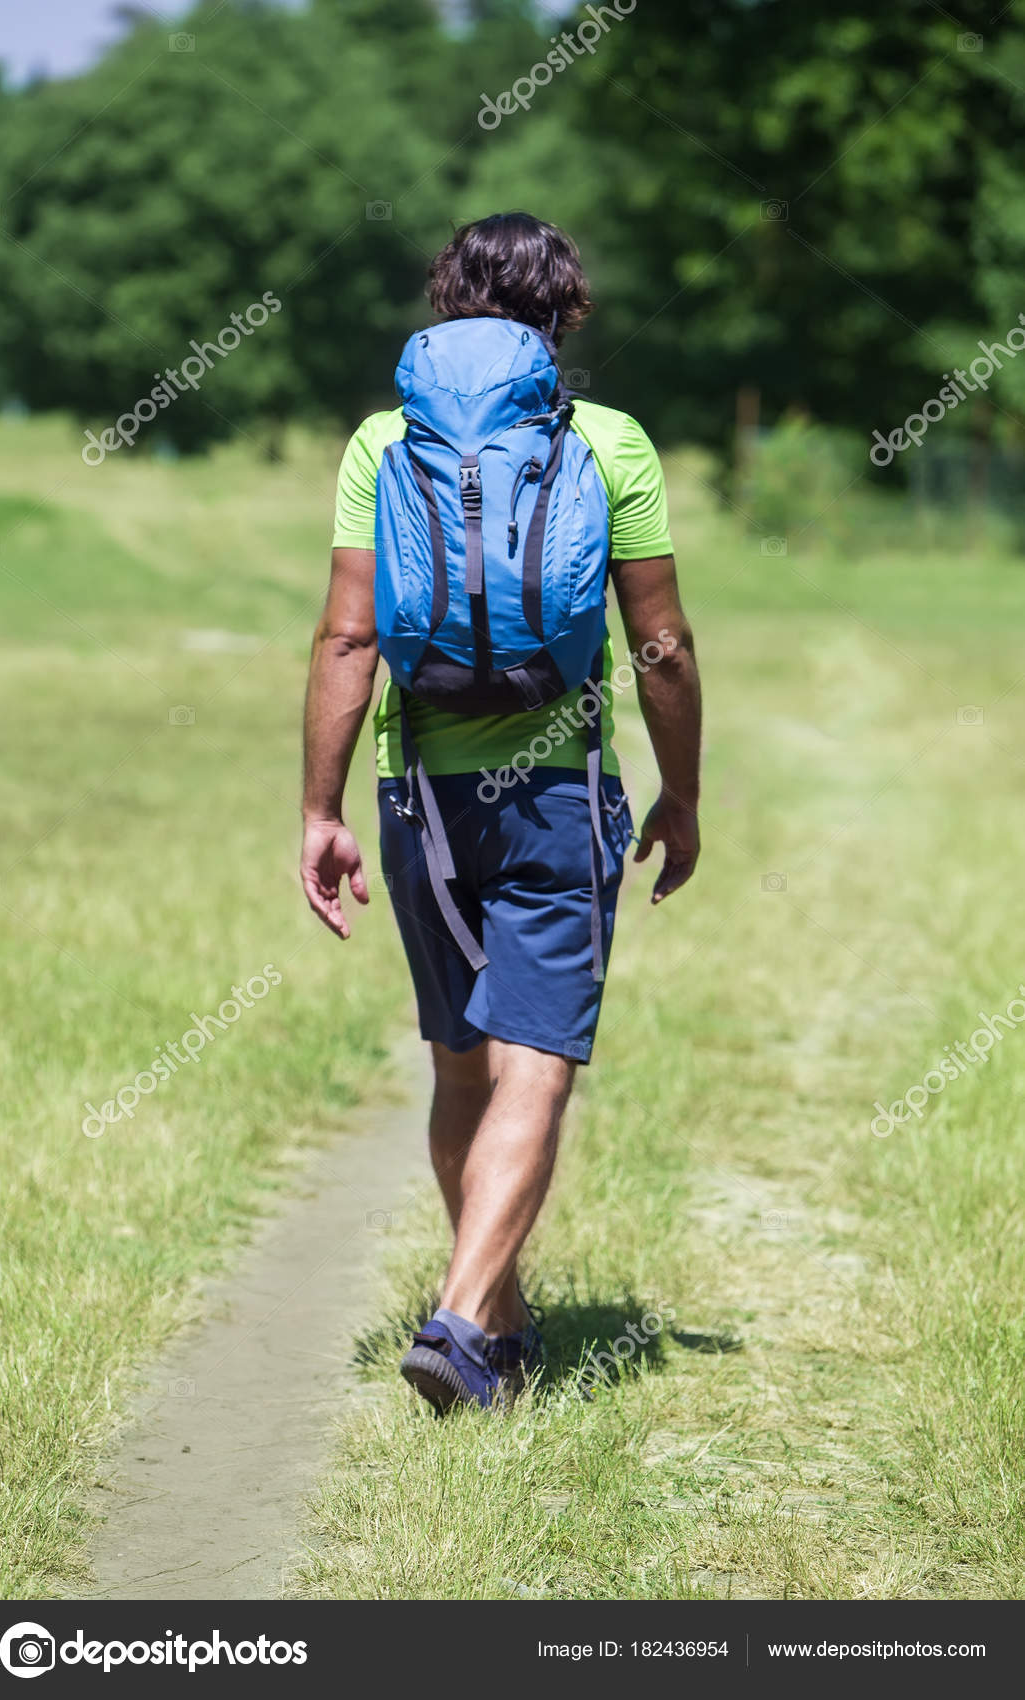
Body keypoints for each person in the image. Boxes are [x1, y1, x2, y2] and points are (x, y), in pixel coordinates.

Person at [300, 211, 701, 1410]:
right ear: (562, 314)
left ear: (444, 303)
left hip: (417, 787)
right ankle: (468, 1313)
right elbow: (663, 647)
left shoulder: (383, 439)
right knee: (539, 1063)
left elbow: (348, 635)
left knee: (461, 1062)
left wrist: (318, 809)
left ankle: (495, 1317)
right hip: (559, 786)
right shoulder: (611, 439)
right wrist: (682, 790)